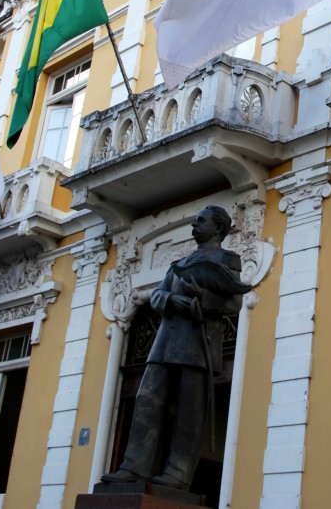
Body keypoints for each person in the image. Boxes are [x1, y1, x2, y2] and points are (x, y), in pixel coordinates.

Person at [102, 206, 251, 491]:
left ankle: (178, 472)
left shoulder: (227, 260)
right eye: (195, 220)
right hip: (165, 342)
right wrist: (172, 301)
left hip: (198, 344)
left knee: (189, 413)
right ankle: (134, 467)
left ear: (218, 228)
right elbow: (157, 295)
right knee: (147, 401)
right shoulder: (180, 264)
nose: (195, 224)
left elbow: (234, 304)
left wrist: (201, 299)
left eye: (201, 220)